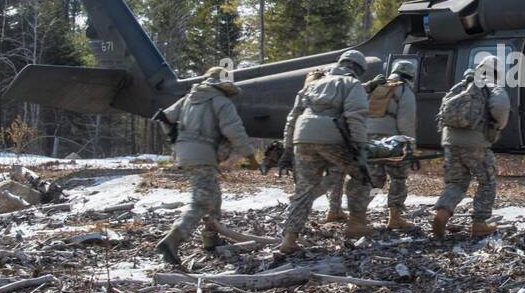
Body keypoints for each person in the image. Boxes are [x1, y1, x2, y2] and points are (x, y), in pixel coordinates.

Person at [155, 66, 258, 267]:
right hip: (202, 155)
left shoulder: (188, 98)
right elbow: (234, 131)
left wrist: (175, 138)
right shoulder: (221, 102)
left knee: (214, 196)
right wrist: (250, 157)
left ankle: (211, 240)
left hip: (186, 153)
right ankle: (172, 240)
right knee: (201, 202)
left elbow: (164, 118)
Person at [278, 49, 373, 253]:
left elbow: (292, 117)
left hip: (302, 137)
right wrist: (360, 147)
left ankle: (289, 239)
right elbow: (355, 116)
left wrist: (287, 148)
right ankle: (356, 224)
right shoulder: (352, 84)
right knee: (361, 175)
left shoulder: (312, 84)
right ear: (357, 68)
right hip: (331, 136)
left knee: (304, 189)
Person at [432, 57, 510, 238]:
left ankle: (442, 213)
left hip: (450, 141)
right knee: (487, 181)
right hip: (476, 143)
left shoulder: (461, 85)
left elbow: (444, 108)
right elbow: (500, 107)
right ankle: (479, 223)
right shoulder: (492, 86)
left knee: (456, 182)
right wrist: (498, 126)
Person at [365, 59, 419, 230]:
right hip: (391, 141)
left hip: (368, 139)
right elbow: (406, 123)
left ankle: (357, 215)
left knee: (374, 179)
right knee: (398, 178)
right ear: (411, 75)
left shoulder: (376, 88)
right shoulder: (404, 90)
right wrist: (411, 148)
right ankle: (394, 218)